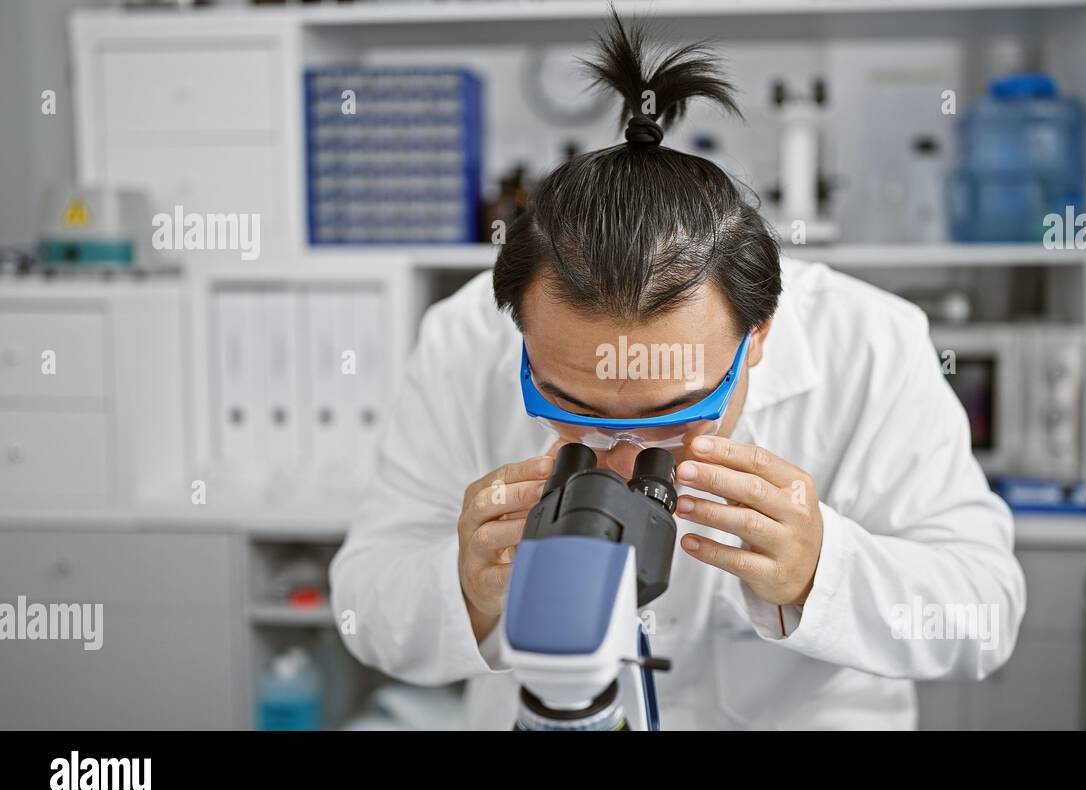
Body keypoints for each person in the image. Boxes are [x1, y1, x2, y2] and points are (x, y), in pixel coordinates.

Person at [330, 12, 1025, 730]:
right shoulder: (462, 337)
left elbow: (985, 615)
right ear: (519, 329)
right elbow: (362, 602)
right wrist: (464, 588)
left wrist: (823, 569)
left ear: (759, 333)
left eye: (675, 413)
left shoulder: (871, 343)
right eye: (573, 406)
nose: (625, 457)